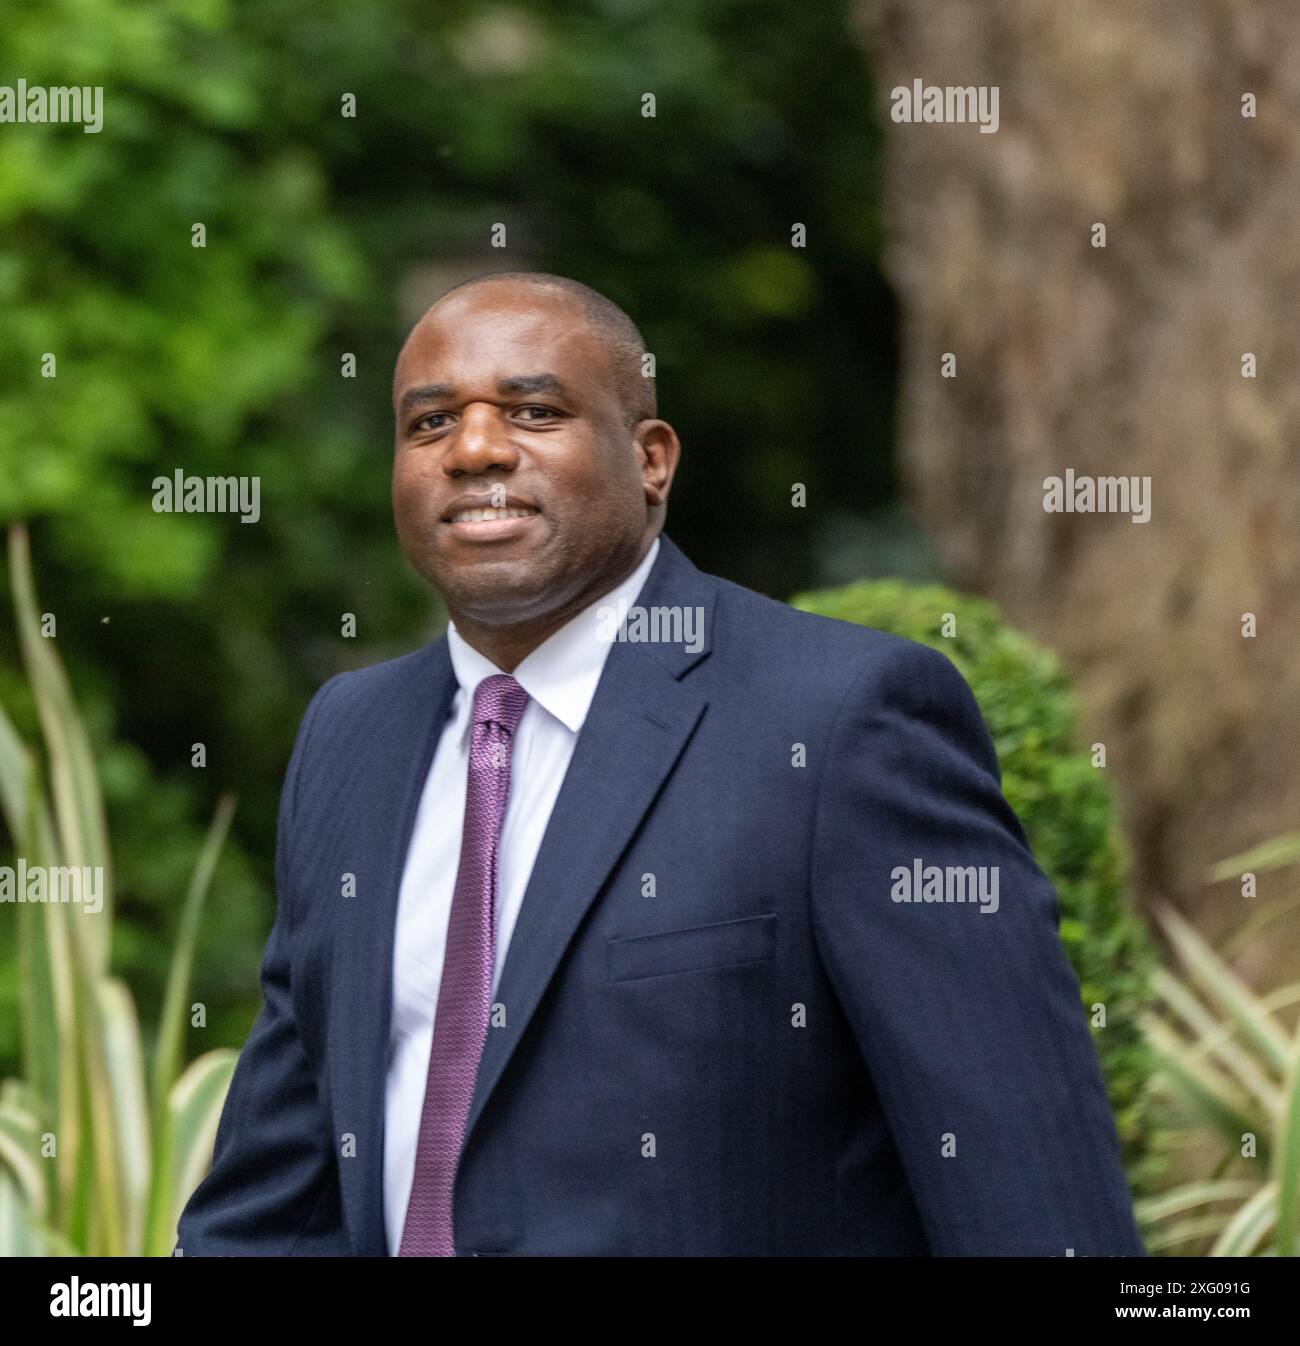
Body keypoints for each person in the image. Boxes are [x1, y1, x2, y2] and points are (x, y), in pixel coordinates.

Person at [176, 271, 1145, 1257]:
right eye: (429, 423)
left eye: (532, 409)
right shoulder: (352, 733)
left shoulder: (842, 718)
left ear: (650, 459)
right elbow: (278, 1189)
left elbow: (1024, 1182)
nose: (473, 449)